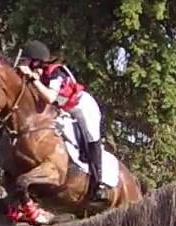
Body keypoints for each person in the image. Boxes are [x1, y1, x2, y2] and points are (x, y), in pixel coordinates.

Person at [16, 40, 109, 202]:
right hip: (62, 109)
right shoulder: (37, 75)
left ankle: (99, 182)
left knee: (91, 135)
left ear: (36, 61)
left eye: (25, 60)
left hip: (81, 106)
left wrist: (33, 79)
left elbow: (51, 96)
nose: (22, 64)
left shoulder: (55, 72)